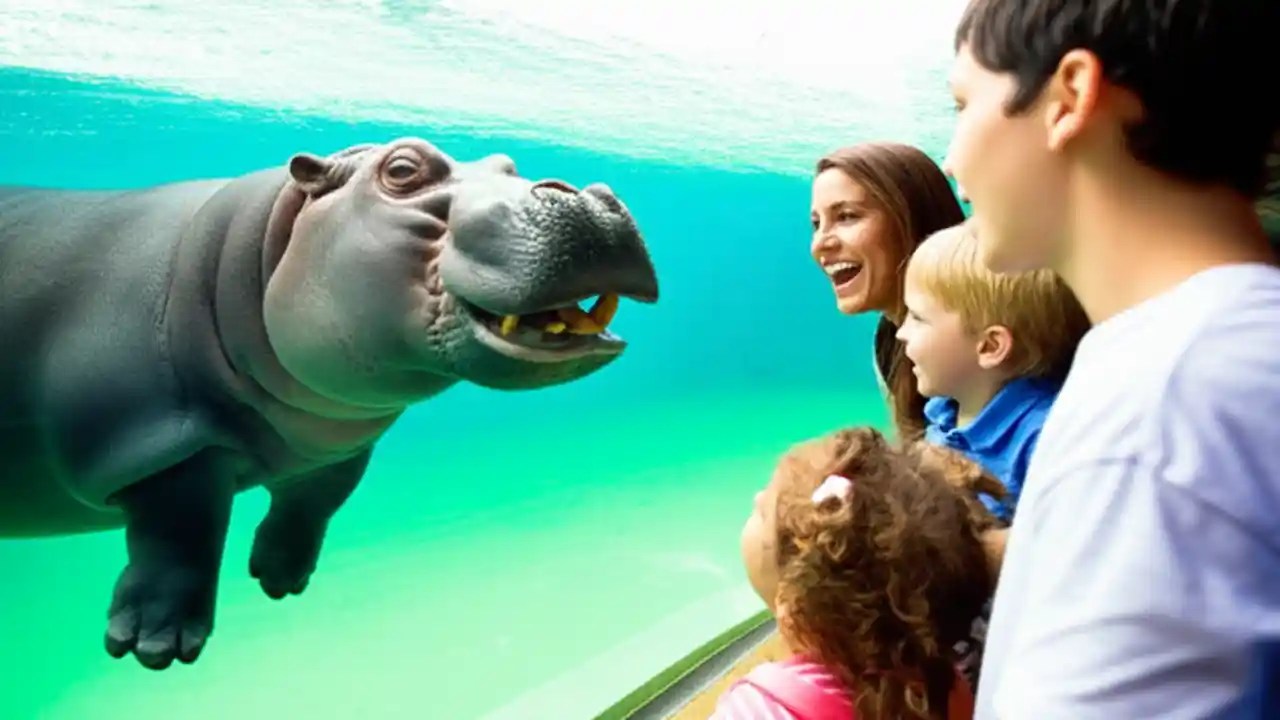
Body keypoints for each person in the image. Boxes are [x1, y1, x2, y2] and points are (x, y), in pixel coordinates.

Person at [944, 0, 1280, 717]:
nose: (952, 158)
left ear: (1069, 95)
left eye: (962, 104)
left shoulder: (1159, 406)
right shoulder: (1219, 346)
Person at [719, 426, 1006, 719]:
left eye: (764, 512)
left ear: (795, 612)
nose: (757, 498)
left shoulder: (763, 708)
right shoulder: (948, 690)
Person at [895, 222, 1089, 522]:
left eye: (918, 318)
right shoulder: (944, 412)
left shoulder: (1042, 441)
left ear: (989, 346)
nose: (901, 333)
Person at [810, 144, 966, 441]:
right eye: (816, 224)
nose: (819, 244)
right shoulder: (888, 341)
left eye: (846, 216)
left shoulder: (972, 334)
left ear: (911, 218)